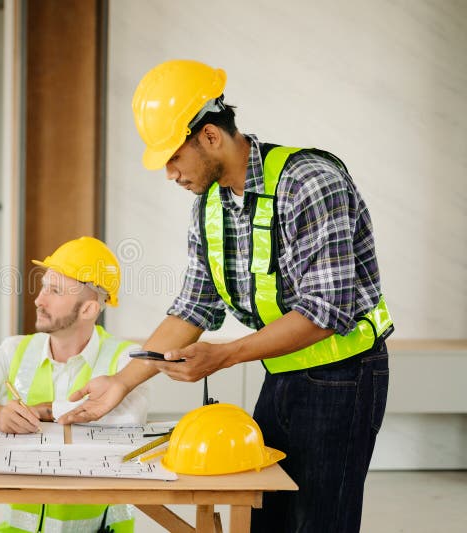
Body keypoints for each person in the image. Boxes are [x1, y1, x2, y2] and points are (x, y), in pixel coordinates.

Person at [59, 60, 394, 533]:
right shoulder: (212, 204)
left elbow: (325, 312)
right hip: (281, 371)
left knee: (318, 519)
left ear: (211, 136)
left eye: (174, 157)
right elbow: (195, 305)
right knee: (265, 511)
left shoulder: (309, 183)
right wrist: (121, 382)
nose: (170, 174)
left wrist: (225, 356)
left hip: (345, 375)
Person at [0, 236, 148, 533]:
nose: (38, 300)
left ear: (88, 310)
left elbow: (130, 417)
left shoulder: (125, 359)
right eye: (43, 286)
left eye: (54, 291)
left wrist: (45, 410)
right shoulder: (15, 350)